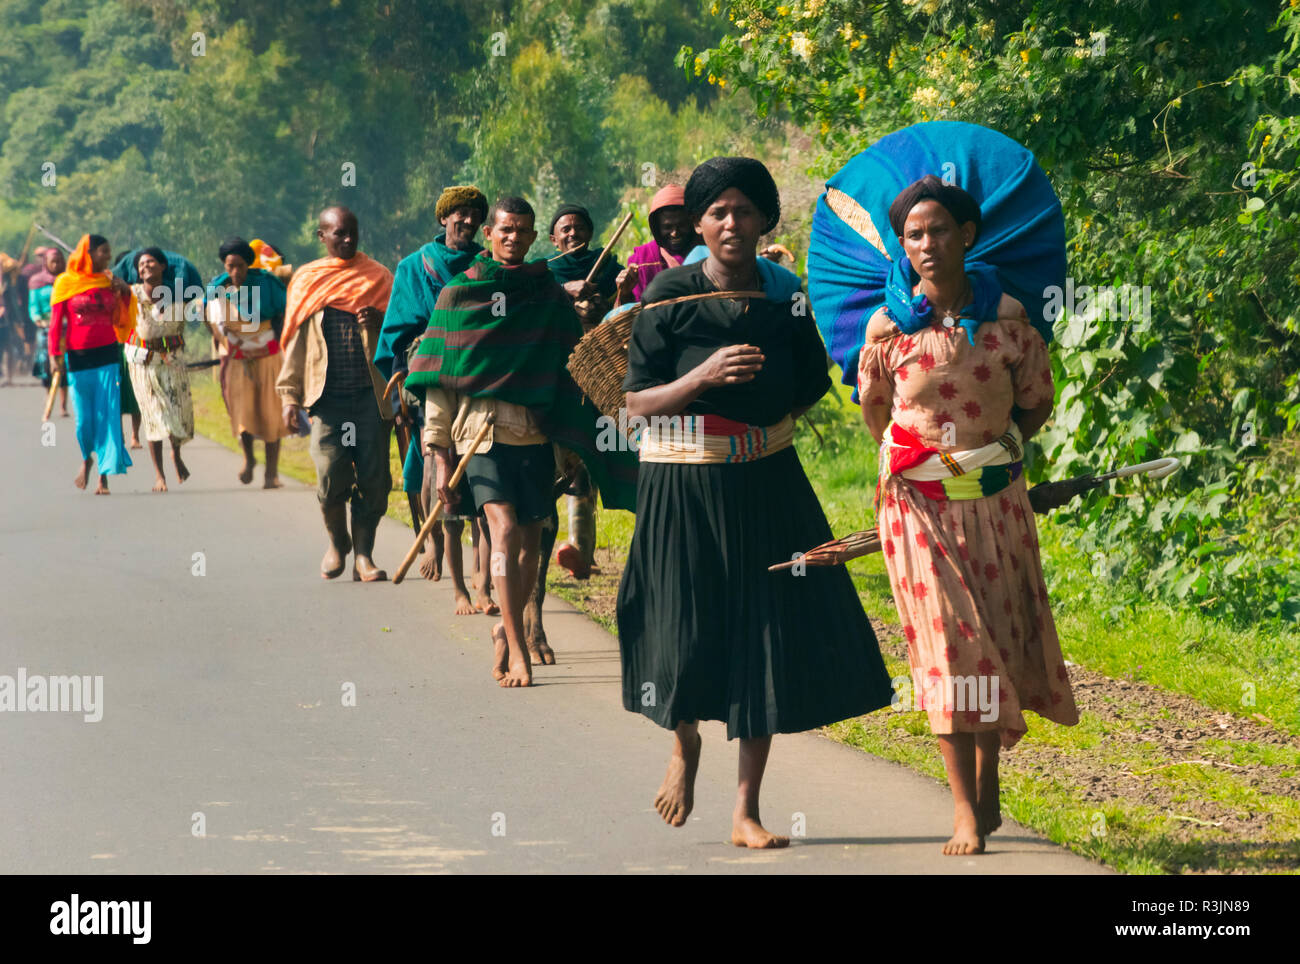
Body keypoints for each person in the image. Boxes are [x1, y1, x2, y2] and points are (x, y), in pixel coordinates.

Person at [616, 157, 894, 848]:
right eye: (718, 212)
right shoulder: (667, 295)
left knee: (764, 634)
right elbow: (634, 404)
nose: (731, 223)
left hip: (768, 480)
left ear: (765, 219)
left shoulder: (785, 296)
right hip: (681, 484)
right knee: (682, 628)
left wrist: (762, 423)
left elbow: (809, 383)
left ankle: (746, 811)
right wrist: (705, 375)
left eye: (744, 211)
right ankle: (684, 745)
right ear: (700, 224)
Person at [857, 175, 1079, 856]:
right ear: (903, 246)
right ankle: (961, 807)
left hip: (996, 506)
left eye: (940, 230)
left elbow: (1036, 401)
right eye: (914, 235)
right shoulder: (889, 325)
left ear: (967, 236)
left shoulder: (1008, 318)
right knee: (949, 649)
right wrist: (921, 463)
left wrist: (1002, 451)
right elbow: (875, 412)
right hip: (919, 509)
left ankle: (987, 781)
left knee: (997, 644)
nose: (927, 244)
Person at [407, 196, 637, 686]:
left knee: (531, 546)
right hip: (479, 439)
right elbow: (438, 384)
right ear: (490, 233)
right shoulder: (458, 295)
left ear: (535, 239)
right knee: (504, 532)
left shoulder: (547, 296)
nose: (513, 238)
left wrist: (574, 444)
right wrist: (438, 457)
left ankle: (503, 632)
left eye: (523, 231)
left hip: (534, 440)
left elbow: (569, 371)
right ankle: (517, 648)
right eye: (505, 229)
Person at [376, 185, 496, 614]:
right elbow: (396, 332)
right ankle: (436, 551)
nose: (465, 221)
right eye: (458, 214)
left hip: (482, 377)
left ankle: (483, 583)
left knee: (484, 472)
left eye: (473, 215)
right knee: (437, 464)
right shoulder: (414, 267)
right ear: (443, 219)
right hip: (430, 377)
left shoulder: (490, 264)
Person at [278, 207, 394, 582]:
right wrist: (289, 397)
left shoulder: (378, 277)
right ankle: (337, 541)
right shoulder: (308, 280)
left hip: (371, 398)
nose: (347, 240)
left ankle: (364, 556)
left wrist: (380, 323)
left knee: (375, 480)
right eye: (339, 233)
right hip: (327, 402)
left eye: (352, 233)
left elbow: (402, 333)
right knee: (330, 479)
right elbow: (296, 345)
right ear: (321, 236)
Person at [548, 203, 627, 581]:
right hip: (562, 380)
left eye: (578, 228)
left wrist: (616, 294)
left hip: (607, 377)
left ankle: (583, 551)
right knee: (569, 459)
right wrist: (565, 293)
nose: (572, 234)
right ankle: (576, 549)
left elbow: (624, 313)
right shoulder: (546, 274)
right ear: (552, 238)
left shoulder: (608, 266)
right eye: (564, 229)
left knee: (601, 457)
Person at [48, 234, 136, 494]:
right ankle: (87, 457)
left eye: (109, 252)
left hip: (108, 355)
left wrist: (125, 291)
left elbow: (124, 315)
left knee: (108, 415)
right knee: (84, 421)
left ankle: (104, 474)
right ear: (89, 253)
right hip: (78, 358)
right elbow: (56, 323)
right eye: (104, 251)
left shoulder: (109, 281)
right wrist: (54, 355)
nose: (108, 256)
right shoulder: (65, 282)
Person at [206, 236, 288, 487]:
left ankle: (271, 474)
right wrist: (224, 344)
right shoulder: (216, 289)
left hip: (268, 357)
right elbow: (210, 320)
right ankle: (249, 459)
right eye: (230, 266)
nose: (235, 271)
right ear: (224, 265)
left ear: (248, 264)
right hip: (237, 361)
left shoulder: (268, 284)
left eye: (240, 266)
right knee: (242, 414)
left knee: (272, 416)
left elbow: (284, 314)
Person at [125, 247, 195, 492]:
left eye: (151, 262)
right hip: (143, 362)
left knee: (177, 413)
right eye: (141, 264)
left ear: (163, 266)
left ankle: (176, 453)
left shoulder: (180, 295)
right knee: (153, 414)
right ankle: (160, 476)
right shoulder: (131, 294)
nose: (145, 267)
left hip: (174, 360)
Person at [618, 184, 703, 303]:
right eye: (667, 227)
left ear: (692, 222)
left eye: (681, 225)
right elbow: (629, 313)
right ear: (657, 228)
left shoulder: (708, 252)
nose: (674, 233)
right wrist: (624, 292)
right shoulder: (642, 260)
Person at [28, 247, 68, 410]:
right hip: (46, 328)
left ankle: (63, 404)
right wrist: (38, 319)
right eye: (53, 261)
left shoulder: (67, 280)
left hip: (66, 327)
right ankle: (48, 395)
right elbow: (33, 306)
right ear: (46, 262)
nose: (57, 265)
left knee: (65, 366)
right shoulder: (37, 281)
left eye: (60, 261)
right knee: (47, 364)